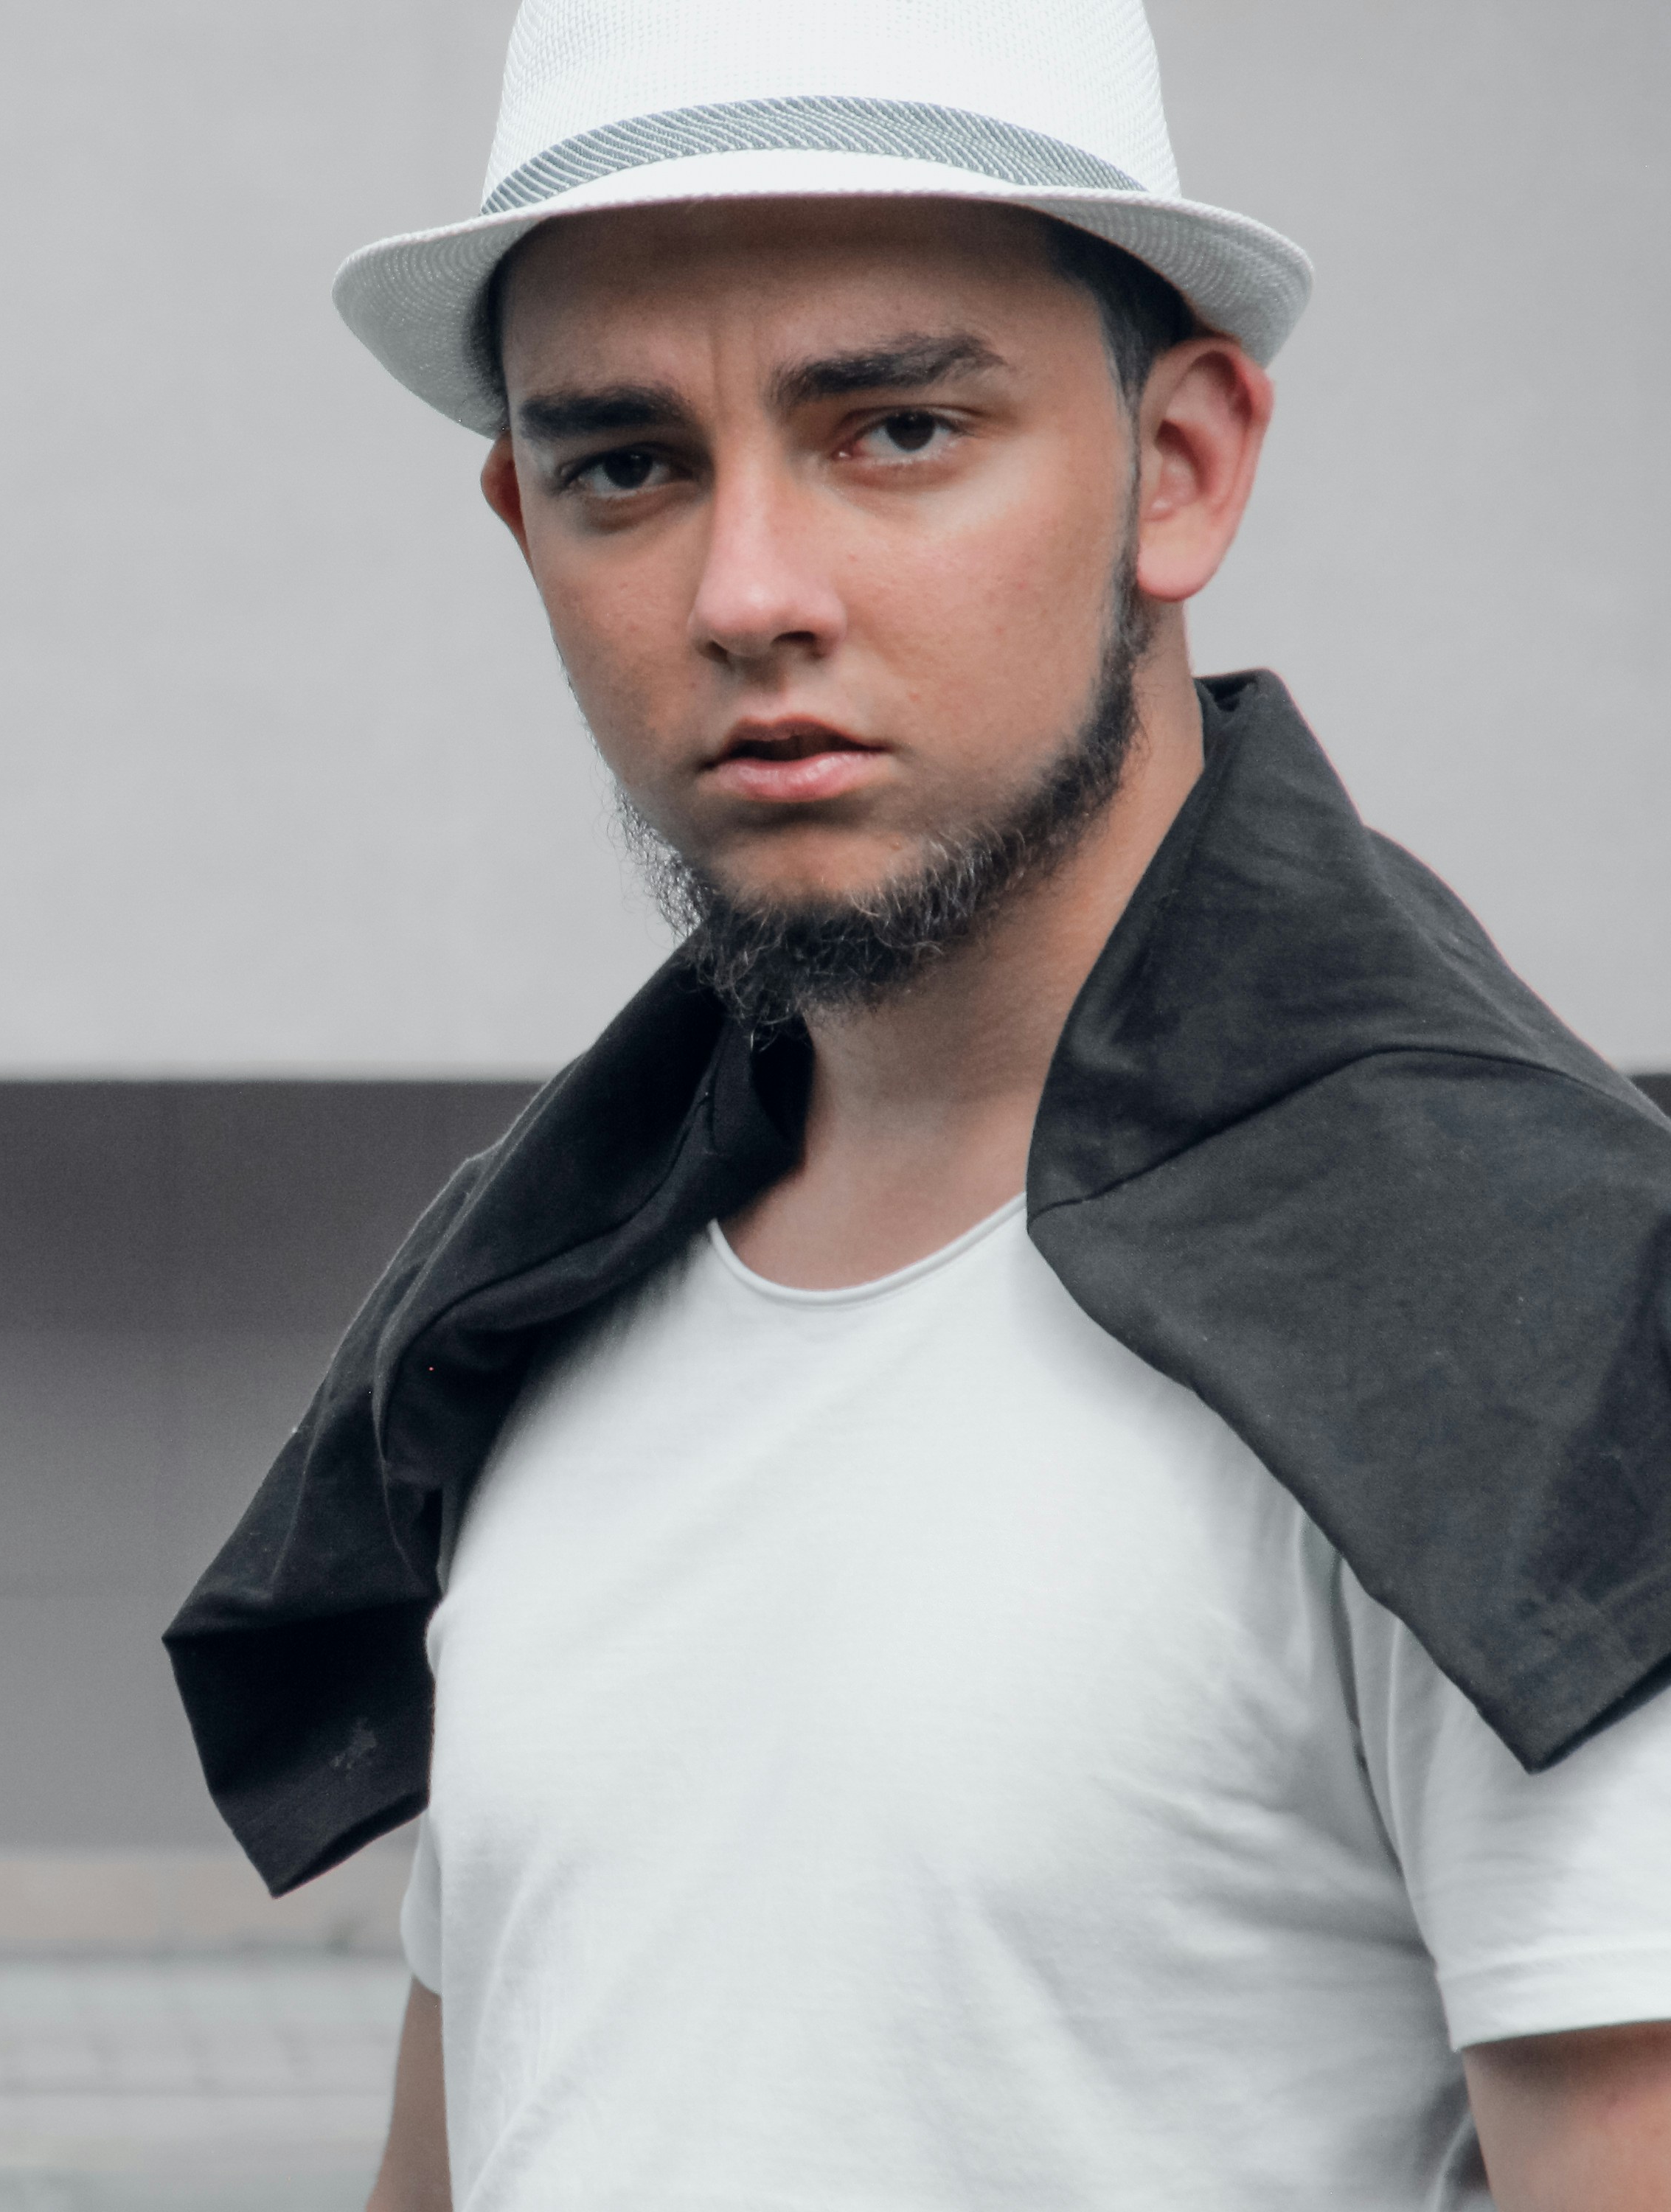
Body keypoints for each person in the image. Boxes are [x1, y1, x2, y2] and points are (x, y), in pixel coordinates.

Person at [161, 1, 1671, 2204]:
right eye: (625, 466)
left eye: (892, 430)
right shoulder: (537, 1288)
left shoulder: (1526, 1312)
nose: (746, 594)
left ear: (1184, 464)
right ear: (519, 518)